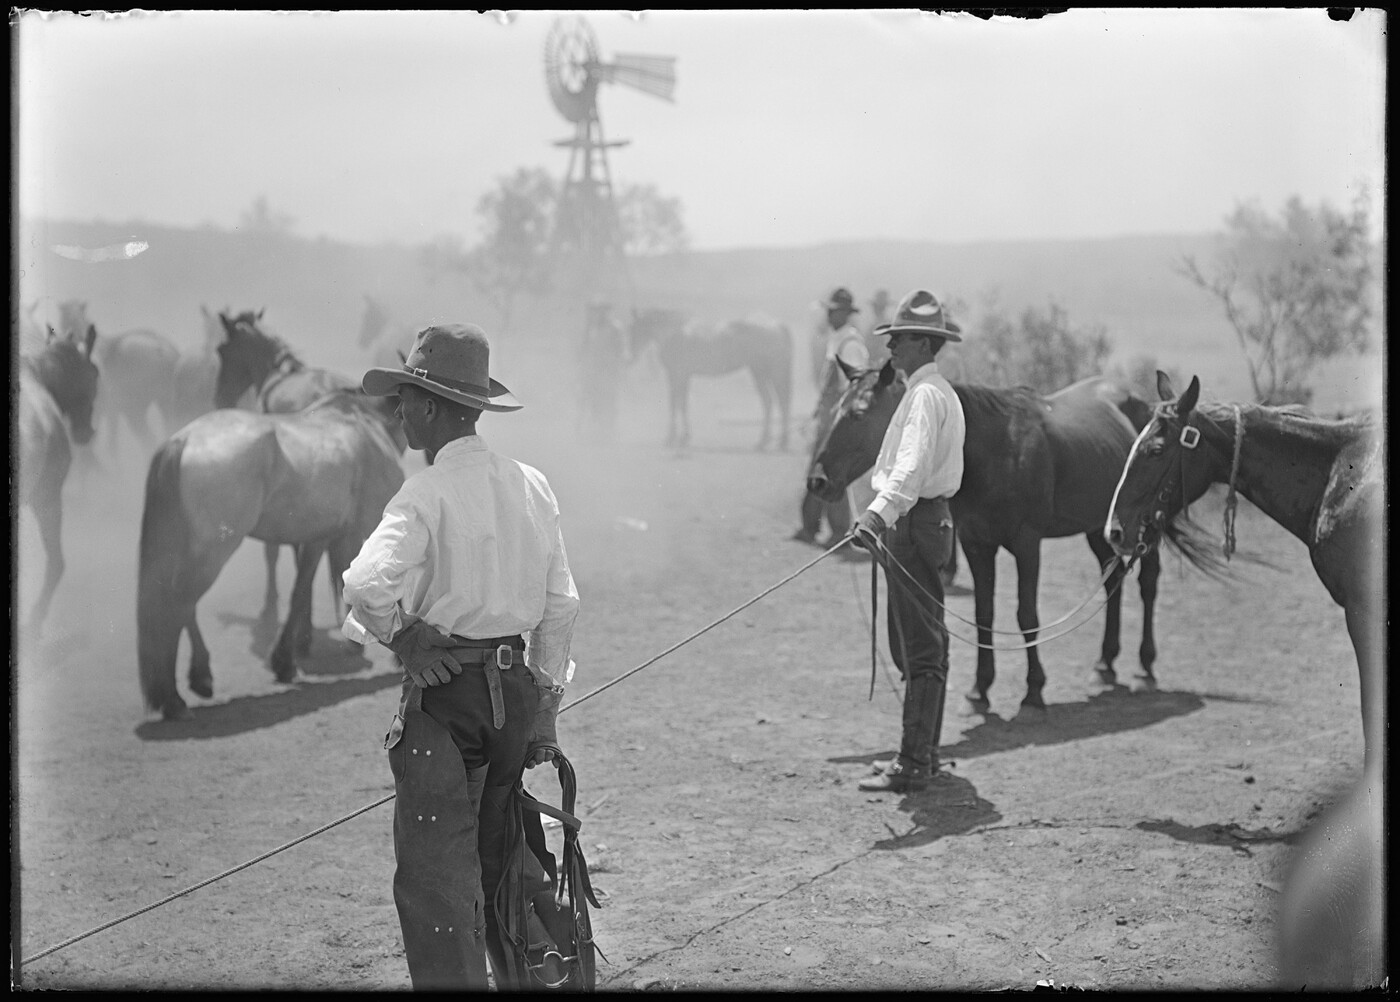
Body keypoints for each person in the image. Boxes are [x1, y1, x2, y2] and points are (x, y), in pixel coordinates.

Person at [340, 322, 581, 989]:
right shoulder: (532, 483)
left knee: (437, 887)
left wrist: (406, 636)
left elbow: (363, 584)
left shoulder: (426, 491)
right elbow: (561, 605)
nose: (399, 412)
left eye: (408, 398)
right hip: (514, 703)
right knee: (505, 860)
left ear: (430, 407)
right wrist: (546, 711)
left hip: (448, 705)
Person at [849, 289, 966, 793]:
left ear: (923, 344)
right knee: (921, 643)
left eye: (899, 340)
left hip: (915, 525)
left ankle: (915, 762)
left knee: (919, 648)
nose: (891, 348)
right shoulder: (936, 393)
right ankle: (923, 754)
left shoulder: (923, 397)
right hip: (925, 522)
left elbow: (910, 469)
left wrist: (877, 516)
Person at [794, 287, 870, 546]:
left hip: (839, 422)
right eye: (829, 310)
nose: (829, 315)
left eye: (834, 311)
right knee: (818, 473)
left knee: (831, 475)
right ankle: (810, 527)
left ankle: (838, 533)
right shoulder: (836, 339)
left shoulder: (851, 344)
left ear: (844, 314)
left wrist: (841, 419)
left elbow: (857, 386)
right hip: (828, 419)